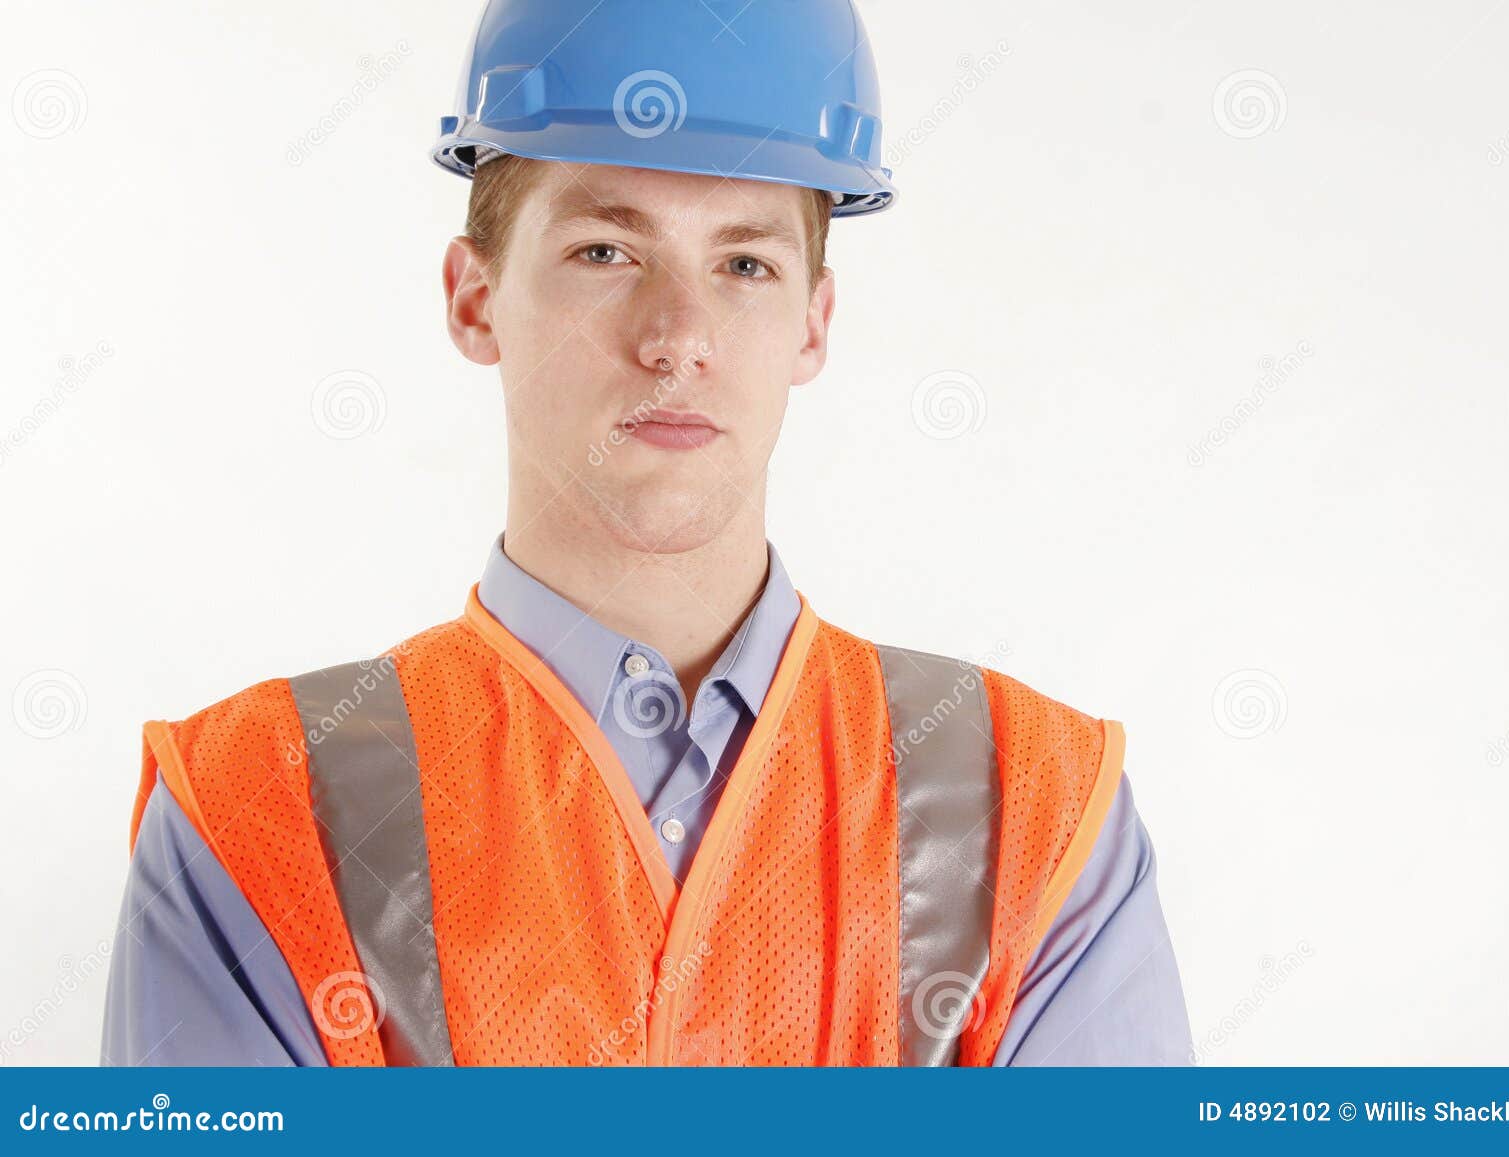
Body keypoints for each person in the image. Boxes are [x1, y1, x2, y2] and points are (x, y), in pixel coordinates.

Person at [101, 0, 1190, 1066]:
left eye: (745, 264)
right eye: (603, 252)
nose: (678, 337)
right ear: (473, 298)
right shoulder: (258, 803)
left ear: (812, 321)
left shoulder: (1035, 803)